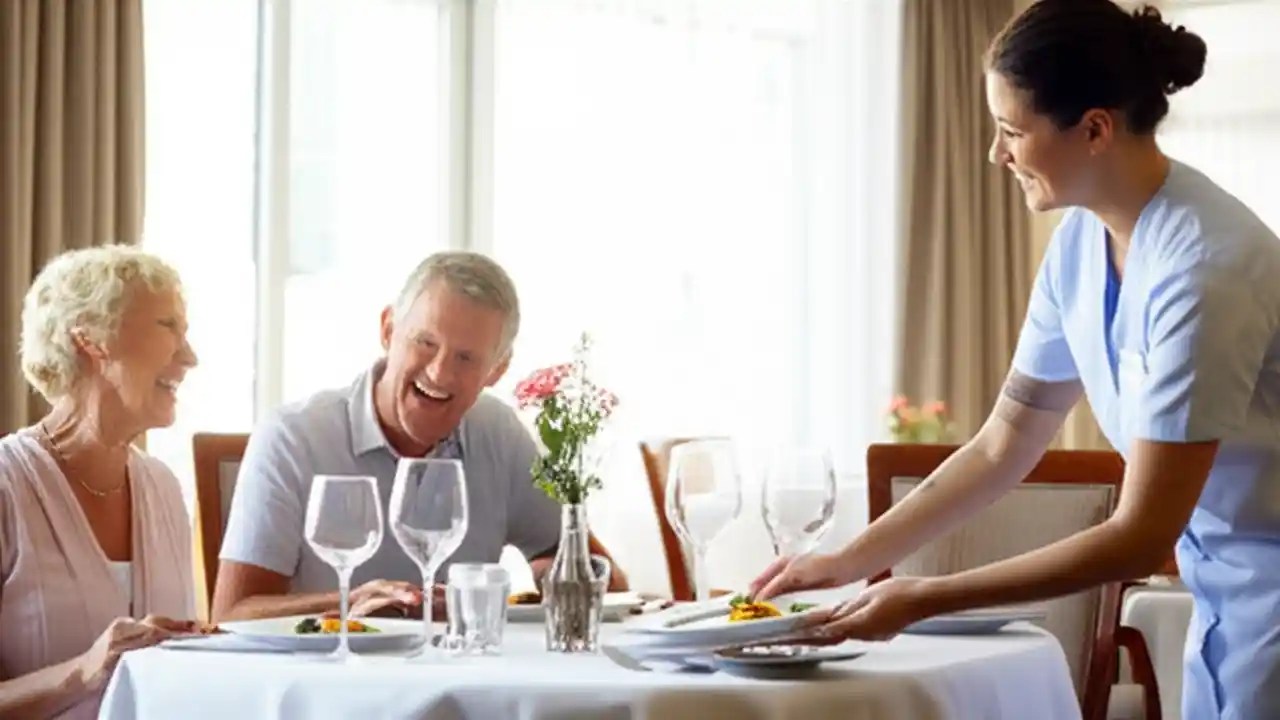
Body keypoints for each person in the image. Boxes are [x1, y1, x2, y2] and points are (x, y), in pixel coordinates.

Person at [750, 2, 1280, 717]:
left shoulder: (1206, 268)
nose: (995, 155)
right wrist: (847, 560)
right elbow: (1004, 442)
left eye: (1010, 131)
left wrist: (920, 597)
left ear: (1094, 129)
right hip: (1230, 602)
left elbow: (1138, 537)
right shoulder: (1077, 250)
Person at [212, 251, 628, 623]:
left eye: (466, 358)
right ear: (389, 330)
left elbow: (593, 571)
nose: (439, 373)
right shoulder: (293, 437)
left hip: (463, 694)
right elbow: (232, 613)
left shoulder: (498, 433)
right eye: (425, 342)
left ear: (497, 370)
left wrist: (542, 583)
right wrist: (352, 601)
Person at [0, 246, 201, 719]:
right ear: (92, 340)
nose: (190, 356)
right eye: (168, 326)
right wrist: (83, 673)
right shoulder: (8, 487)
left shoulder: (163, 487)